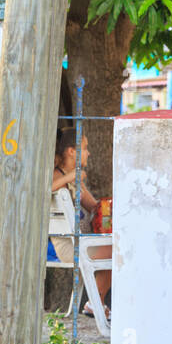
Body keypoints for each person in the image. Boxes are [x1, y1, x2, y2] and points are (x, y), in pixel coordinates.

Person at [51, 128, 112, 321]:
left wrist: (108, 207)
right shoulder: (56, 175)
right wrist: (73, 177)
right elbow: (46, 189)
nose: (88, 153)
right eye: (84, 148)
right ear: (71, 152)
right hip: (70, 246)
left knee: (117, 244)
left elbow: (94, 207)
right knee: (114, 249)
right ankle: (94, 304)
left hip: (83, 241)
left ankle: (97, 302)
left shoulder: (74, 177)